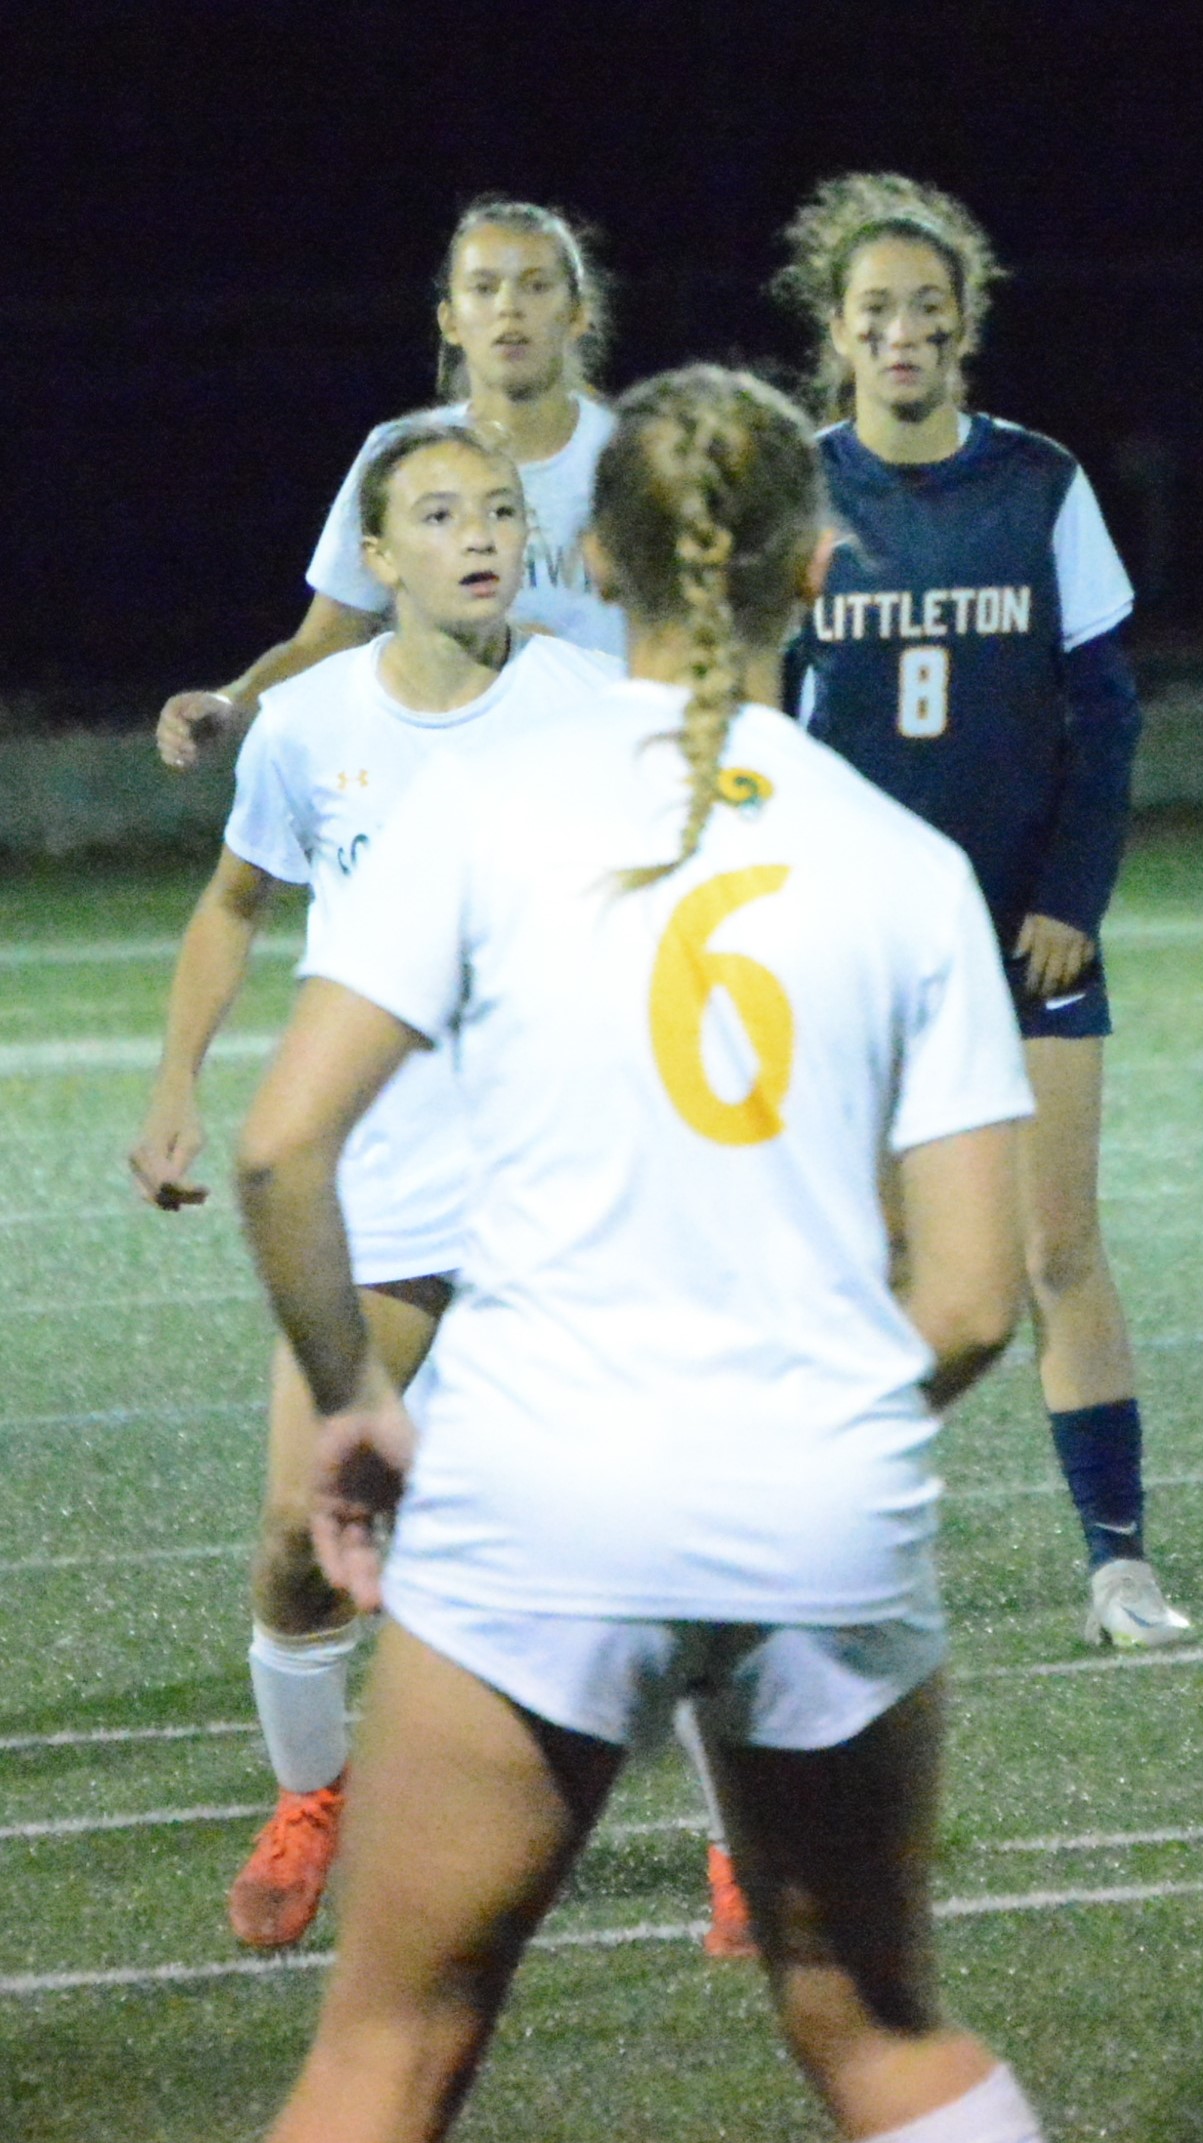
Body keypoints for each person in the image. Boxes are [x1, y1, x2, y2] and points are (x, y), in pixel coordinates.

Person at [233, 364, 1046, 2143]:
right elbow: (980, 1298)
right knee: (882, 2035)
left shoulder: (484, 814)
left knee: (388, 2052)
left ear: (589, 558)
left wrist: (359, 1400)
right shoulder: (907, 865)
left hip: (546, 1481)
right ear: (819, 571)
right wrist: (805, 1414)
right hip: (819, 1495)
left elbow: (282, 1146)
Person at [128, 421, 620, 1948]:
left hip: (560, 1192)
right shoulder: (308, 721)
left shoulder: (593, 707)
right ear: (379, 554)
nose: (477, 534)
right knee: (298, 1529)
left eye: (497, 511)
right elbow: (233, 901)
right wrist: (175, 1089)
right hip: (383, 1192)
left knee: (656, 1533)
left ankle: (754, 1845)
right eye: (437, 514)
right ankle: (313, 1794)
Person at [775, 173, 1187, 1654]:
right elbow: (751, 726)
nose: (903, 334)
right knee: (875, 1263)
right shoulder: (795, 490)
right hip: (856, 950)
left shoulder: (1040, 483)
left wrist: (1071, 896)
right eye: (875, 312)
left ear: (963, 332)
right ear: (837, 331)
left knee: (1054, 1246)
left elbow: (1107, 712)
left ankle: (1120, 1561)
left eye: (926, 314)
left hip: (1024, 934)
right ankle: (855, 1561)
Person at [156, 196, 624, 771]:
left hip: (607, 782)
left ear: (578, 313)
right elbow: (327, 639)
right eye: (483, 287)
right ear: (450, 320)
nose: (509, 309)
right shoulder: (402, 456)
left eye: (535, 285)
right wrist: (233, 702)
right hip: (450, 784)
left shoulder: (635, 455)